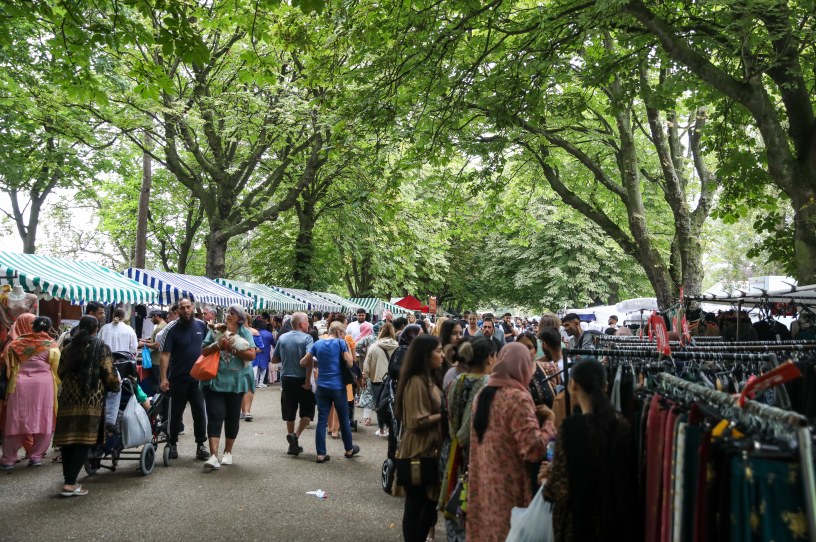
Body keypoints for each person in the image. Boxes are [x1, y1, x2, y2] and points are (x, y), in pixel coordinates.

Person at [467, 343, 556, 541]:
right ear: (521, 366)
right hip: (509, 489)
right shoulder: (517, 398)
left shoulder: (482, 395)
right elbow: (533, 449)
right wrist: (550, 421)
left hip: (484, 484)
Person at [541, 359, 636, 541]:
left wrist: (546, 479)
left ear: (573, 385)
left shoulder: (571, 428)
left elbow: (559, 489)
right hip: (616, 524)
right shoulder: (621, 424)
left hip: (578, 525)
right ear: (606, 386)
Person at [53, 316, 121, 497]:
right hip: (90, 399)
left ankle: (69, 479)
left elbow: (60, 371)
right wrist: (115, 386)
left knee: (68, 441)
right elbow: (110, 374)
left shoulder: (68, 347)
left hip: (68, 398)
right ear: (95, 329)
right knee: (83, 441)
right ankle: (69, 484)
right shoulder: (101, 347)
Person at [438, 337, 496, 542]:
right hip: (473, 453)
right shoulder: (487, 386)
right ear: (490, 358)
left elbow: (447, 416)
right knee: (470, 507)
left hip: (451, 450)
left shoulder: (455, 380)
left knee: (455, 504)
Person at [394, 334, 444, 542]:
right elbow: (415, 421)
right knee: (417, 504)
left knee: (427, 504)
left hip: (429, 448)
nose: (442, 355)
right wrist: (444, 415)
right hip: (418, 450)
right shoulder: (416, 382)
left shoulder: (429, 379)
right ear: (425, 355)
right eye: (438, 351)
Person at [198, 304, 255, 470]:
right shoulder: (216, 329)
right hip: (214, 379)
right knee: (215, 414)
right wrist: (218, 344)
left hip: (237, 381)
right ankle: (214, 456)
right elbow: (203, 351)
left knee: (231, 417)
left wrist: (233, 348)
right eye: (228, 312)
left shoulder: (245, 332)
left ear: (240, 318)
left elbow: (251, 355)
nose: (228, 315)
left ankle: (228, 452)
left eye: (233, 313)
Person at [1, 316, 60, 469]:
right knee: (43, 417)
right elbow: (56, 368)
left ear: (32, 327)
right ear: (48, 328)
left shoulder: (17, 343)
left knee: (16, 419)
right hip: (44, 385)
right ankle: (36, 456)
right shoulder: (52, 345)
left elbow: (7, 363)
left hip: (19, 384)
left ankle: (8, 458)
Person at [300, 321, 361, 463]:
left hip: (322, 386)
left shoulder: (317, 344)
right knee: (344, 418)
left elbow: (303, 362)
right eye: (343, 332)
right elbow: (350, 363)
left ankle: (321, 454)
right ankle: (349, 449)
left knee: (322, 420)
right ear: (339, 332)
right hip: (338, 386)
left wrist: (317, 363)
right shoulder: (341, 343)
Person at [159, 298, 209, 461]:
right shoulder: (171, 329)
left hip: (197, 380)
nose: (186, 310)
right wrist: (164, 378)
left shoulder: (202, 326)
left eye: (188, 307)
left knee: (200, 413)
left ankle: (201, 445)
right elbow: (165, 355)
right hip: (178, 379)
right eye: (182, 308)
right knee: (175, 414)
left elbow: (208, 349)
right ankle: (172, 443)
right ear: (178, 310)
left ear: (193, 307)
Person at [271, 311, 315, 456]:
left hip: (286, 379)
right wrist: (308, 381)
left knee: (289, 411)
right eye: (307, 322)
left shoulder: (282, 337)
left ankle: (292, 442)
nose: (308, 324)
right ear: (301, 324)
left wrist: (287, 358)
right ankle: (295, 435)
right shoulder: (307, 338)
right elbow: (308, 360)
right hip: (302, 379)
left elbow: (274, 360)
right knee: (307, 412)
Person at [362, 322, 398, 434]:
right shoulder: (397, 346)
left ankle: (381, 428)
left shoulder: (374, 346)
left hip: (377, 379)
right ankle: (390, 426)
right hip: (393, 379)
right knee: (392, 403)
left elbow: (367, 363)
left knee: (379, 404)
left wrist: (365, 376)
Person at [240, 321, 264, 422]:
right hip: (235, 364)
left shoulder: (253, 333)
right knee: (240, 387)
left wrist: (247, 351)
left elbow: (260, 348)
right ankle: (242, 411)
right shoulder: (229, 331)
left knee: (249, 385)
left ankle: (247, 411)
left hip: (250, 362)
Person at [439, 319, 463, 390]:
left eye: (460, 333)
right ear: (446, 334)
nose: (458, 337)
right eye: (454, 333)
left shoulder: (462, 354)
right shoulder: (438, 355)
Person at [253, 317, 275, 388]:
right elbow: (273, 343)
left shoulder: (256, 333)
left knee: (257, 368)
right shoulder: (269, 334)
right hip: (265, 353)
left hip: (257, 352)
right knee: (264, 368)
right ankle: (261, 382)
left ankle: (256, 382)